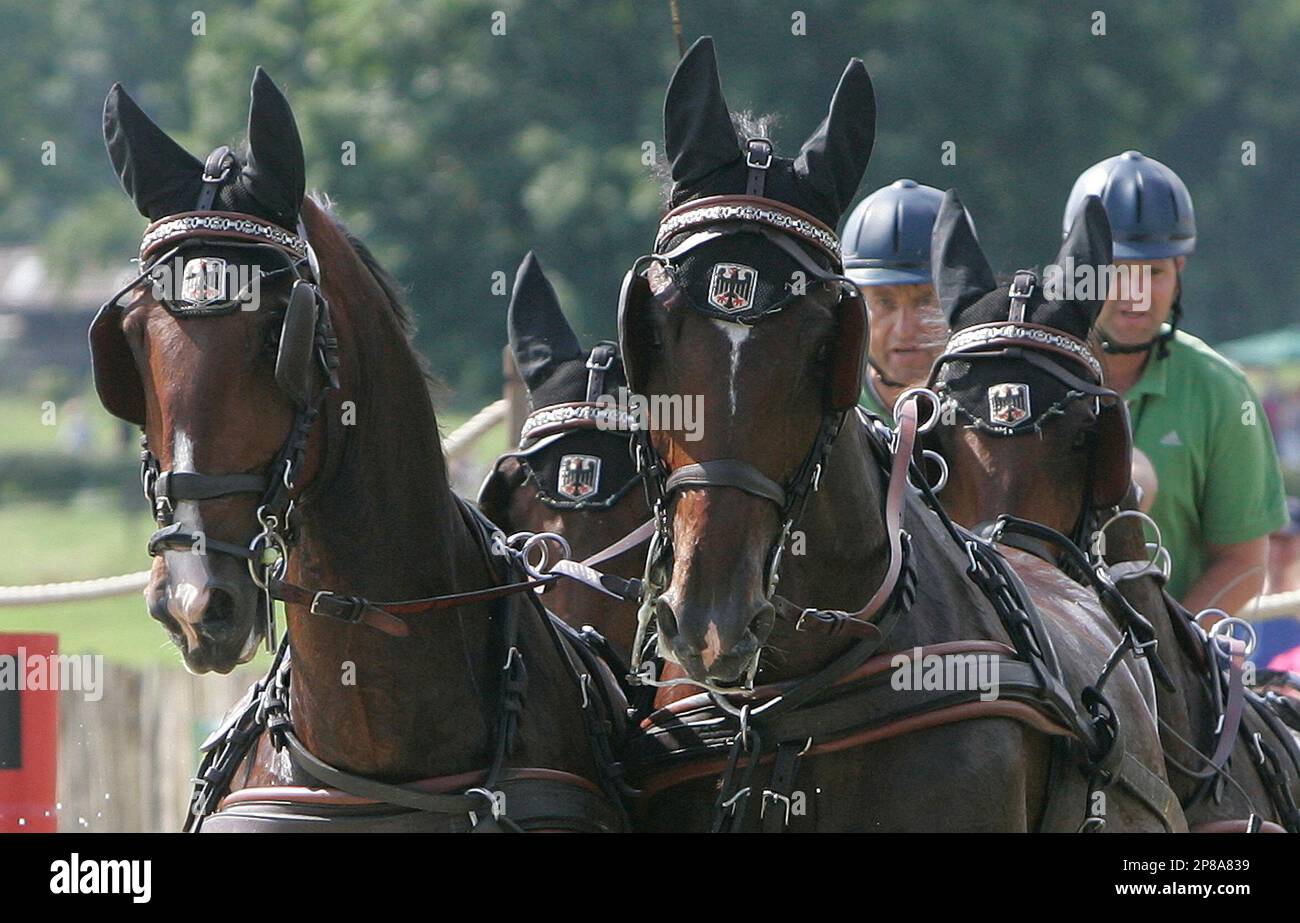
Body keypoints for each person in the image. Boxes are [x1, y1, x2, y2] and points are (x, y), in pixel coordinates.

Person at [1063, 151, 1288, 615]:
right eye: (1117, 273)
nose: (1135, 296)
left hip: (1171, 663)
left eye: (1154, 272)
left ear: (1180, 272)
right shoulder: (1028, 374)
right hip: (1038, 663)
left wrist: (1166, 661)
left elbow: (1244, 561)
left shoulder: (1221, 390)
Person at [840, 179, 950, 424]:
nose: (905, 329)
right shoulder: (820, 415)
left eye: (926, 302)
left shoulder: (990, 417)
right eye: (885, 303)